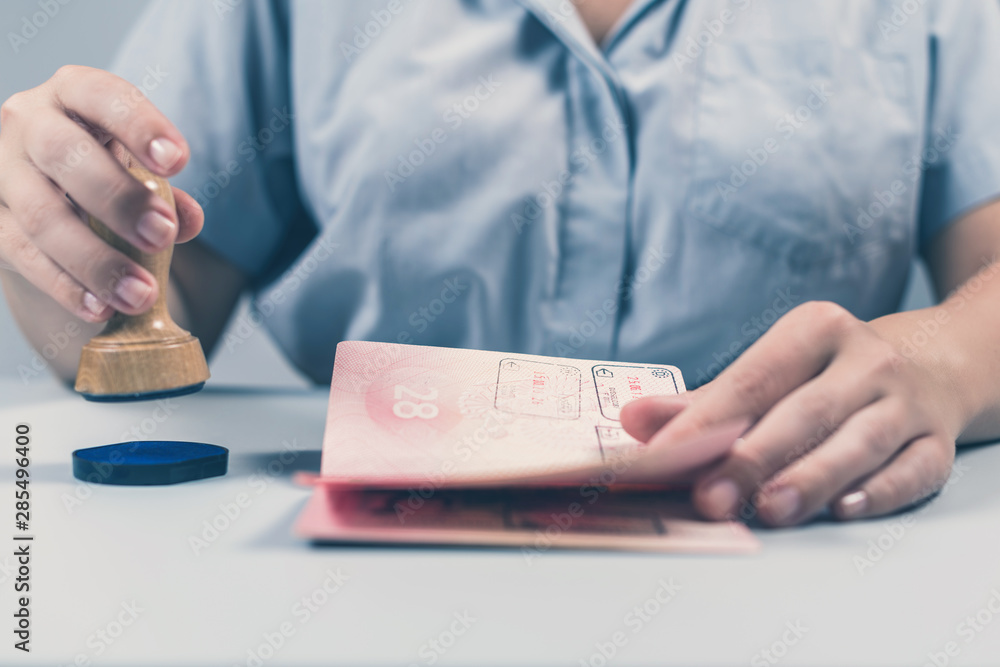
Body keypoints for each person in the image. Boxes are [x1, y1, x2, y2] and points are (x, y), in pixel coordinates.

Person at [2, 0, 999, 527]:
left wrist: (943, 360)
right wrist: (51, 226)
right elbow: (148, 301)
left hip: (795, 535)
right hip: (341, 591)